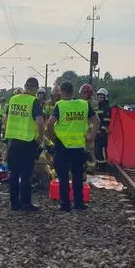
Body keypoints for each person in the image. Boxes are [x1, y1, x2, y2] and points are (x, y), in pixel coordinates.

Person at [48, 81, 99, 211]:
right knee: (77, 176)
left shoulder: (60, 105)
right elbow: (96, 121)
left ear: (62, 92)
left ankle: (65, 204)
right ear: (73, 91)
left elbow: (50, 123)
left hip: (62, 146)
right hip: (78, 146)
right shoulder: (84, 104)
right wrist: (91, 136)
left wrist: (54, 138)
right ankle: (79, 203)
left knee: (63, 177)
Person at [5, 77, 45, 211]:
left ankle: (14, 203)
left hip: (13, 142)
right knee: (26, 175)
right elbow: (40, 122)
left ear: (25, 86)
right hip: (28, 142)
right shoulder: (33, 101)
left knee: (14, 174)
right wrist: (40, 138)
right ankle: (25, 203)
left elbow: (5, 119)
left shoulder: (13, 99)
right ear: (35, 89)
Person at [79, 83, 96, 175]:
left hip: (89, 131)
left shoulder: (92, 103)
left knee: (90, 150)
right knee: (83, 150)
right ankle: (84, 168)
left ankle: (91, 168)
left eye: (84, 93)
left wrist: (91, 132)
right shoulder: (82, 103)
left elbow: (95, 119)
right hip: (83, 130)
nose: (83, 95)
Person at [94, 88, 111, 171]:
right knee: (96, 150)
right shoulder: (97, 107)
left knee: (102, 150)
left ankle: (103, 166)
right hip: (96, 133)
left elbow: (106, 121)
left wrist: (102, 131)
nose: (100, 99)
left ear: (105, 98)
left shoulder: (106, 108)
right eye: (99, 97)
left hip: (103, 134)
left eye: (102, 97)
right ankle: (98, 164)